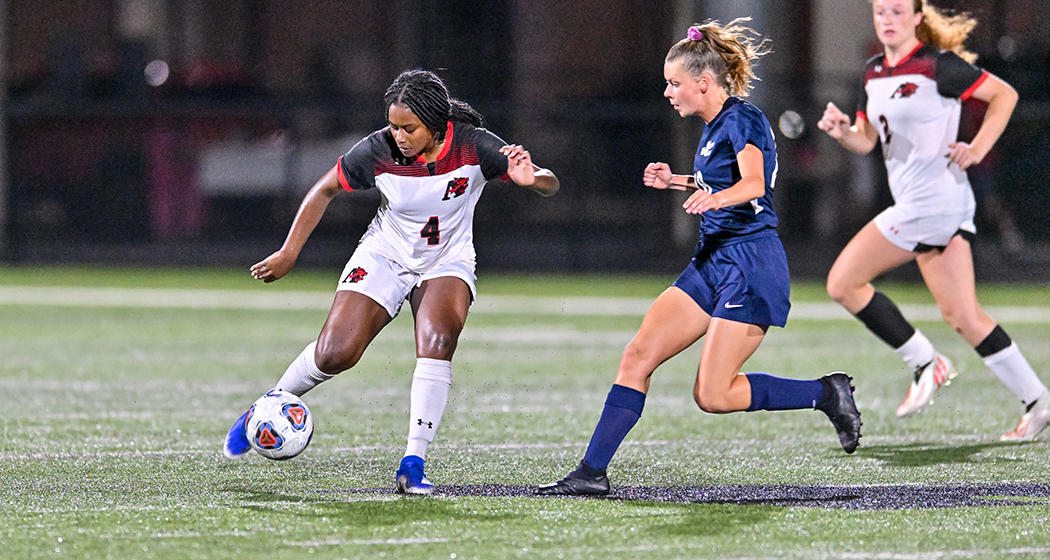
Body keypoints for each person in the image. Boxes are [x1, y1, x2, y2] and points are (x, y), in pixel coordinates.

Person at [537, 20, 862, 496]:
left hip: (749, 265)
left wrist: (715, 198)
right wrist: (677, 181)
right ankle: (591, 472)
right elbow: (723, 181)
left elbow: (754, 184)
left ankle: (825, 393)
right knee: (638, 355)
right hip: (711, 260)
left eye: (674, 83)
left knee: (713, 394)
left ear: (703, 83)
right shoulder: (715, 126)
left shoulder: (744, 118)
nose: (667, 92)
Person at [222, 69, 560, 494]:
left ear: (436, 124)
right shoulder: (377, 150)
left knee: (438, 340)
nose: (398, 136)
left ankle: (412, 463)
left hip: (447, 259)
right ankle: (265, 408)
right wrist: (289, 253)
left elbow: (549, 182)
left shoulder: (475, 145)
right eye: (394, 126)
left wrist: (534, 180)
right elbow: (324, 189)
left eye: (408, 128)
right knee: (335, 353)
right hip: (385, 254)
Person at [818, 0, 1049, 440]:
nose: (887, 20)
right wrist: (843, 132)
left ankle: (926, 361)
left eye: (897, 12)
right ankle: (1038, 400)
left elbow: (1005, 96)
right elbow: (866, 140)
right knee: (963, 315)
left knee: (842, 283)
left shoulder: (937, 65)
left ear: (918, 17)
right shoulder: (873, 72)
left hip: (933, 202)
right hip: (931, 203)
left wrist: (977, 149)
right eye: (881, 12)